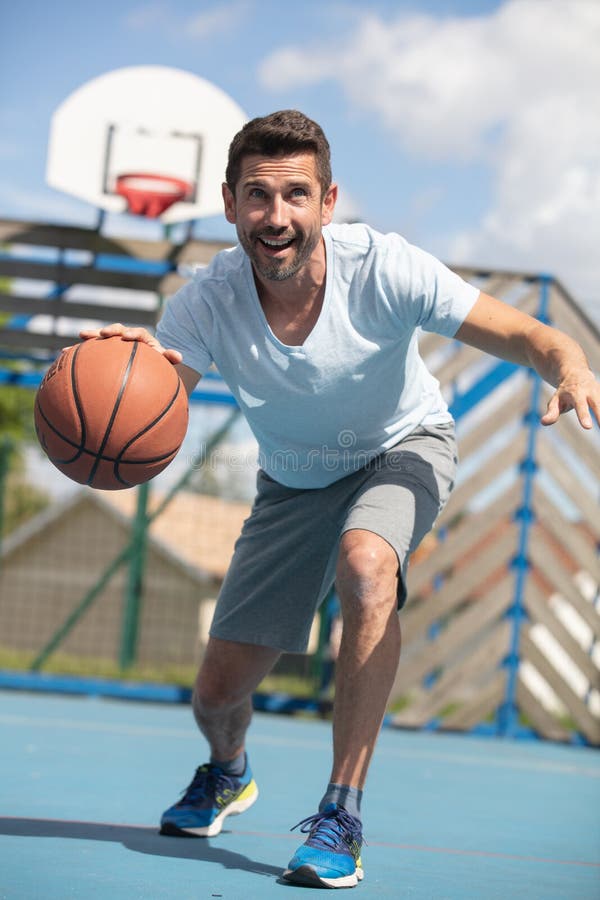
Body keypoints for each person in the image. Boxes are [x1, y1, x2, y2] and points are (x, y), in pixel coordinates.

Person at [82, 110, 599, 889]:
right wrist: (118, 384)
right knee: (218, 695)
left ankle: (341, 810)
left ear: (329, 201)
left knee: (367, 565)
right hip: (294, 482)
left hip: (404, 447)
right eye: (259, 196)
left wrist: (571, 365)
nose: (277, 216)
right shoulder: (207, 301)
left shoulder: (387, 269)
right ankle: (228, 771)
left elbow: (528, 334)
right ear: (230, 204)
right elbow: (158, 402)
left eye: (297, 194)